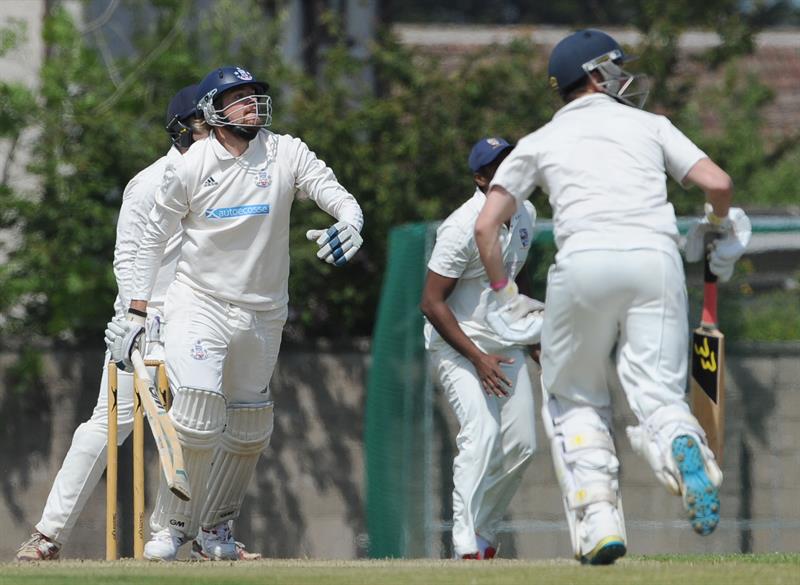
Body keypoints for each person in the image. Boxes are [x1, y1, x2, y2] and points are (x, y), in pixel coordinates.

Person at [473, 30, 751, 565]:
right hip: (657, 261)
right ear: (596, 74)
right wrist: (718, 227)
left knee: (573, 395)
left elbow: (487, 226)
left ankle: (599, 517)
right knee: (659, 395)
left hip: (583, 265)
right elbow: (719, 184)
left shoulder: (540, 141)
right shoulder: (651, 125)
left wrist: (505, 295)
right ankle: (679, 441)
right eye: (616, 68)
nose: (625, 78)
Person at [104, 65, 364, 561]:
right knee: (199, 411)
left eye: (253, 95)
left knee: (249, 429)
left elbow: (332, 191)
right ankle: (170, 527)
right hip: (199, 303)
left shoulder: (285, 151)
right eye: (237, 97)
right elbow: (152, 241)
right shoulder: (191, 166)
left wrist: (351, 220)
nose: (251, 104)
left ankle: (216, 528)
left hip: (264, 311)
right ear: (212, 110)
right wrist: (136, 312)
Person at [15, 85, 210, 561]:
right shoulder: (149, 182)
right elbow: (128, 258)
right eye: (208, 123)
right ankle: (48, 535)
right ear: (184, 129)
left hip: (202, 324)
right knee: (105, 426)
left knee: (207, 426)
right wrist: (133, 322)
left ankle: (205, 536)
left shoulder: (225, 181)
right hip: (146, 326)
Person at [421, 137, 542, 560]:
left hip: (504, 344)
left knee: (523, 445)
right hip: (457, 346)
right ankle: (464, 546)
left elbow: (515, 277)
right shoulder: (460, 228)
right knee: (482, 432)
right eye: (499, 165)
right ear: (481, 178)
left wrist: (533, 336)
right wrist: (477, 358)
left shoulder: (527, 213)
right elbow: (431, 303)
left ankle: (484, 536)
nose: (511, 170)